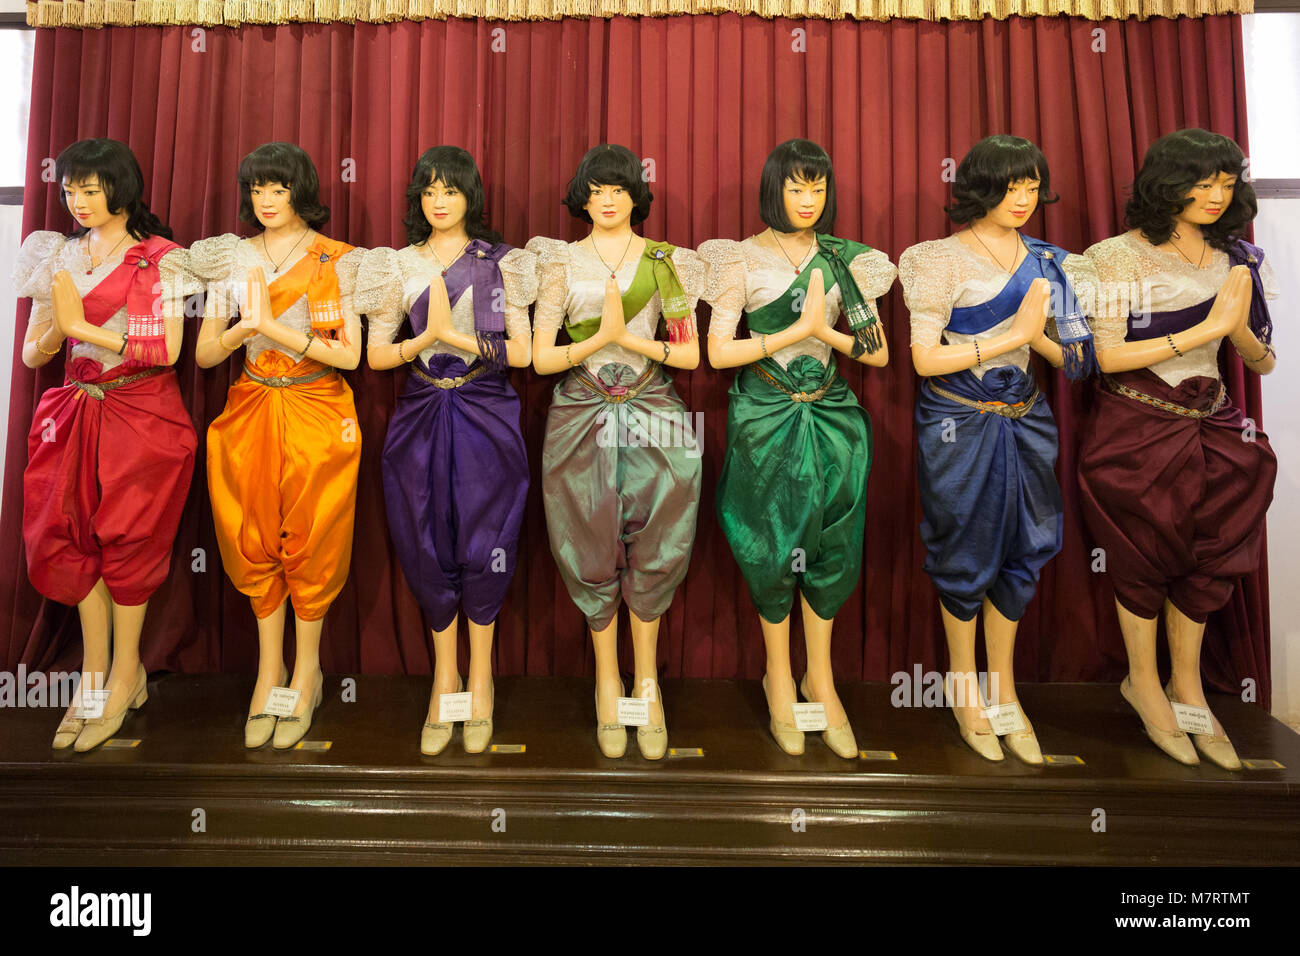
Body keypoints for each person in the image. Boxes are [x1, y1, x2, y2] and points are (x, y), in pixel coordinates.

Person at [1080, 128, 1277, 770]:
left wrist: (1237, 331)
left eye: (1226, 181)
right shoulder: (1115, 256)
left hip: (1219, 425)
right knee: (1141, 554)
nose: (1217, 194)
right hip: (1137, 427)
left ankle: (1186, 684)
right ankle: (1141, 681)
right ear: (1166, 182)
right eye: (1202, 181)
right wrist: (1206, 326)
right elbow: (1105, 356)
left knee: (1210, 555)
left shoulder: (1240, 257)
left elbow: (1263, 362)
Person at [898, 134, 1097, 764]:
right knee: (963, 545)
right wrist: (1009, 334)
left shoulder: (1052, 262)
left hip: (1028, 419)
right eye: (1011, 186)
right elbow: (924, 359)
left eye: (1033, 186)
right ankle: (963, 688)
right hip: (957, 420)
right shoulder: (937, 259)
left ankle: (1003, 688)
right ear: (979, 187)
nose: (1023, 199)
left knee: (1025, 546)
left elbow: (1078, 361)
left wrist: (1032, 339)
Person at [699, 138, 895, 758]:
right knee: (774, 543)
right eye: (796, 188)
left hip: (835, 415)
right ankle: (778, 677)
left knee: (833, 541)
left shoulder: (844, 261)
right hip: (765, 412)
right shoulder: (739, 259)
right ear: (774, 189)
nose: (808, 201)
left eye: (818, 189)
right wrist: (794, 330)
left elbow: (879, 352)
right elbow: (718, 352)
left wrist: (824, 332)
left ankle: (821, 677)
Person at [14, 138, 199, 752]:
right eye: (69, 189)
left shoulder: (161, 259)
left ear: (121, 188)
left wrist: (82, 328)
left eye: (90, 189)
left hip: (141, 413)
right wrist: (50, 339)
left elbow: (167, 351)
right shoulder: (59, 255)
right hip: (72, 409)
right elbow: (34, 350)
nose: (78, 201)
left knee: (130, 540)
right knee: (70, 538)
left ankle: (125, 675)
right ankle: (96, 672)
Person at [356, 146, 537, 755]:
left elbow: (524, 353)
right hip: (420, 413)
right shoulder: (395, 265)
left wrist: (449, 335)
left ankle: (480, 677)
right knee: (422, 535)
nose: (439, 201)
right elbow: (376, 355)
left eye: (451, 191)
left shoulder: (502, 263)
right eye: (429, 191)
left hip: (487, 412)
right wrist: (420, 345)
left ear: (470, 198)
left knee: (488, 539)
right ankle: (445, 678)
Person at [527, 143, 705, 760]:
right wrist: (595, 344)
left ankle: (647, 682)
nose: (607, 199)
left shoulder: (666, 262)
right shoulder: (559, 264)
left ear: (636, 196)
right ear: (583, 196)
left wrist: (630, 340)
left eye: (619, 188)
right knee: (587, 538)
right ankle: (608, 680)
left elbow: (689, 353)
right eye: (596, 189)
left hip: (655, 411)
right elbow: (538, 357)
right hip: (579, 410)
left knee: (660, 541)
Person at [192, 142, 365, 750]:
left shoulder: (337, 259)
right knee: (252, 535)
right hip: (250, 407)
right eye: (258, 189)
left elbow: (350, 356)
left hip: (319, 410)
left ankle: (308, 670)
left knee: (312, 540)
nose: (266, 201)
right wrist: (248, 326)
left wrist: (274, 328)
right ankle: (269, 673)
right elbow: (207, 353)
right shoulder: (230, 259)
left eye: (279, 189)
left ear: (302, 191)